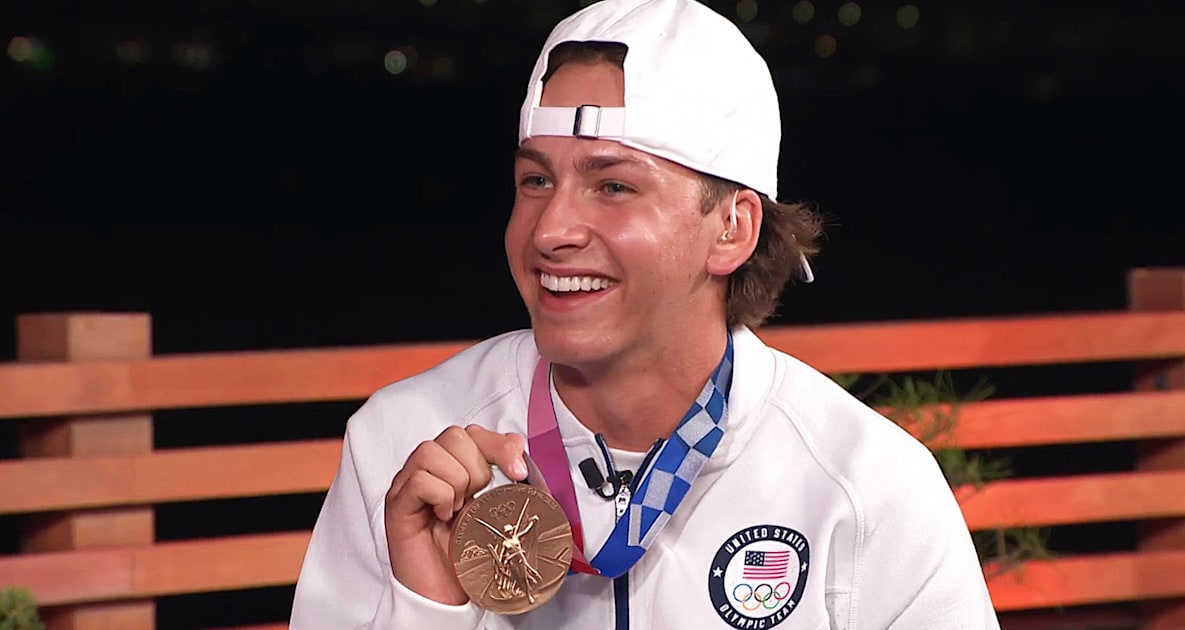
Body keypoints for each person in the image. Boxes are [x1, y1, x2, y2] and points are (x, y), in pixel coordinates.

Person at [289, 0, 1001, 628]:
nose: (549, 230)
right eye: (536, 180)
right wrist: (426, 612)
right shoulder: (401, 449)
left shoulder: (863, 484)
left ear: (732, 229)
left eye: (614, 186)